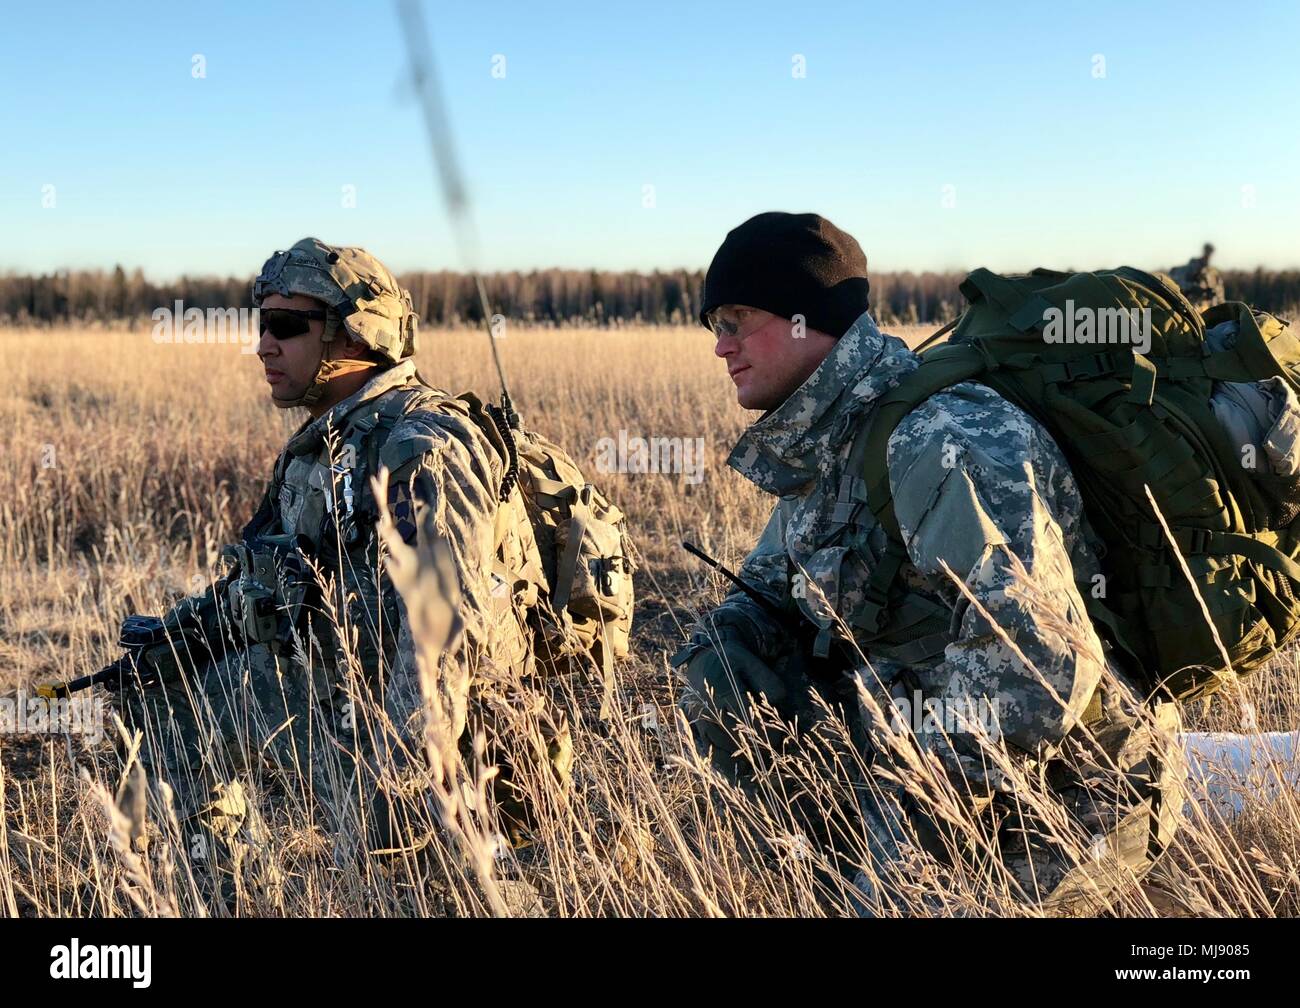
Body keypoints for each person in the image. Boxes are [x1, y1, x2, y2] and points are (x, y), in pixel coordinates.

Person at [674, 212, 1185, 913]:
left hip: (1071, 789)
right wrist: (731, 648)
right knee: (724, 662)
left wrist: (900, 823)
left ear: (807, 317)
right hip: (938, 767)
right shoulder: (828, 443)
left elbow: (1040, 666)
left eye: (737, 319)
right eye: (716, 325)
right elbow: (771, 588)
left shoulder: (938, 437)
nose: (721, 346)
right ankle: (831, 879)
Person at [118, 237, 569, 904]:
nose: (263, 346)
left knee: (422, 893)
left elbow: (443, 623)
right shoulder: (323, 444)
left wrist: (408, 772)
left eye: (286, 327)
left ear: (356, 335)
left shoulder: (418, 444)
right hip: (344, 702)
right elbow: (264, 574)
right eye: (259, 324)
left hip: (448, 740)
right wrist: (178, 638)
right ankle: (231, 895)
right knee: (168, 699)